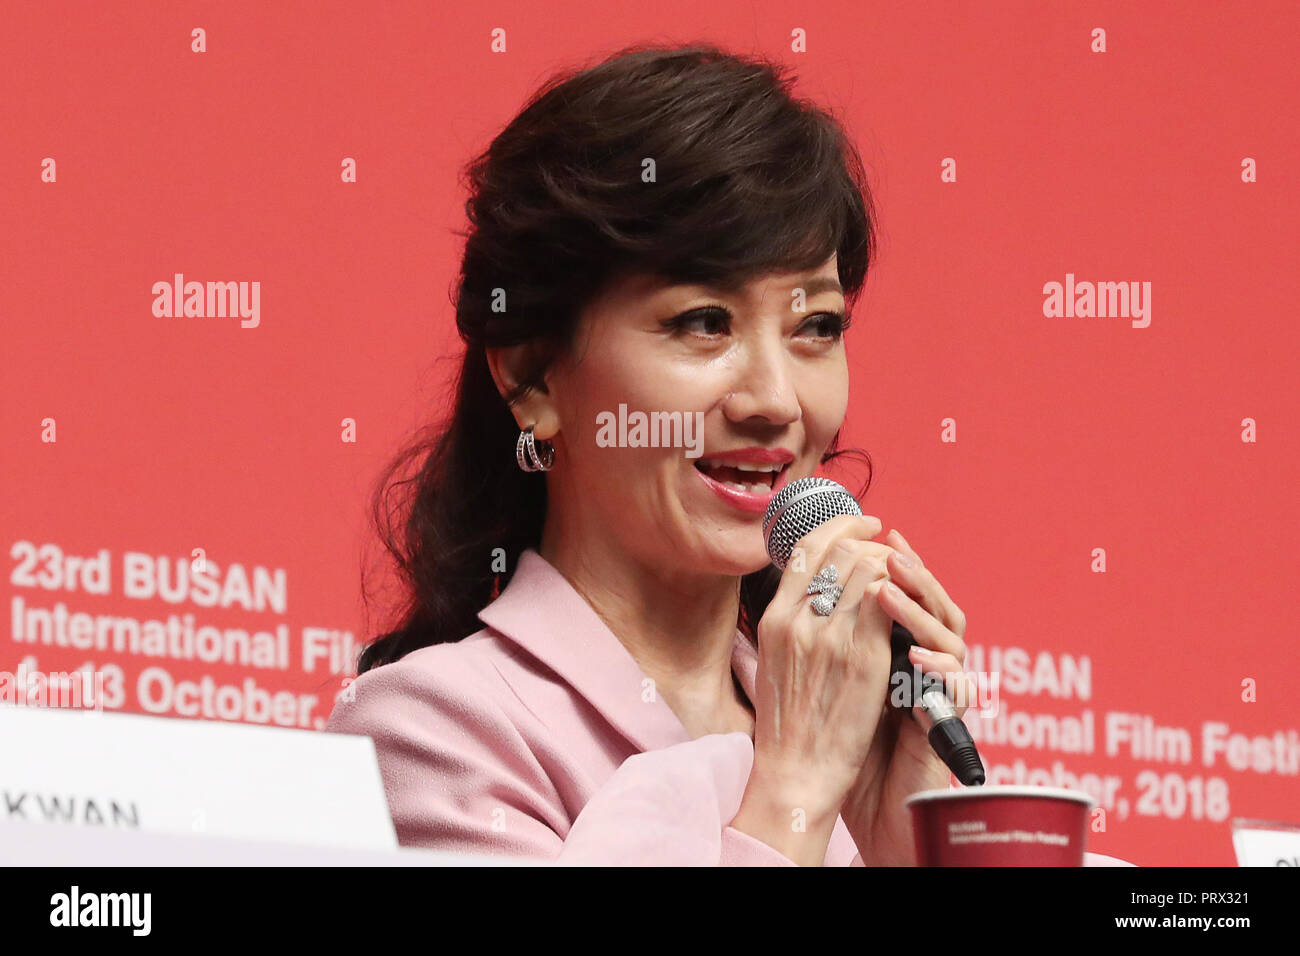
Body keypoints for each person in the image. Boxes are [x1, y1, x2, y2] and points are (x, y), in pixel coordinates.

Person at [325, 42, 1130, 866]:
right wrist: (792, 799)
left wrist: (903, 853)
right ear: (532, 375)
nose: (775, 400)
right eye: (705, 322)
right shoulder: (430, 733)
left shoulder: (863, 754)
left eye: (816, 327)